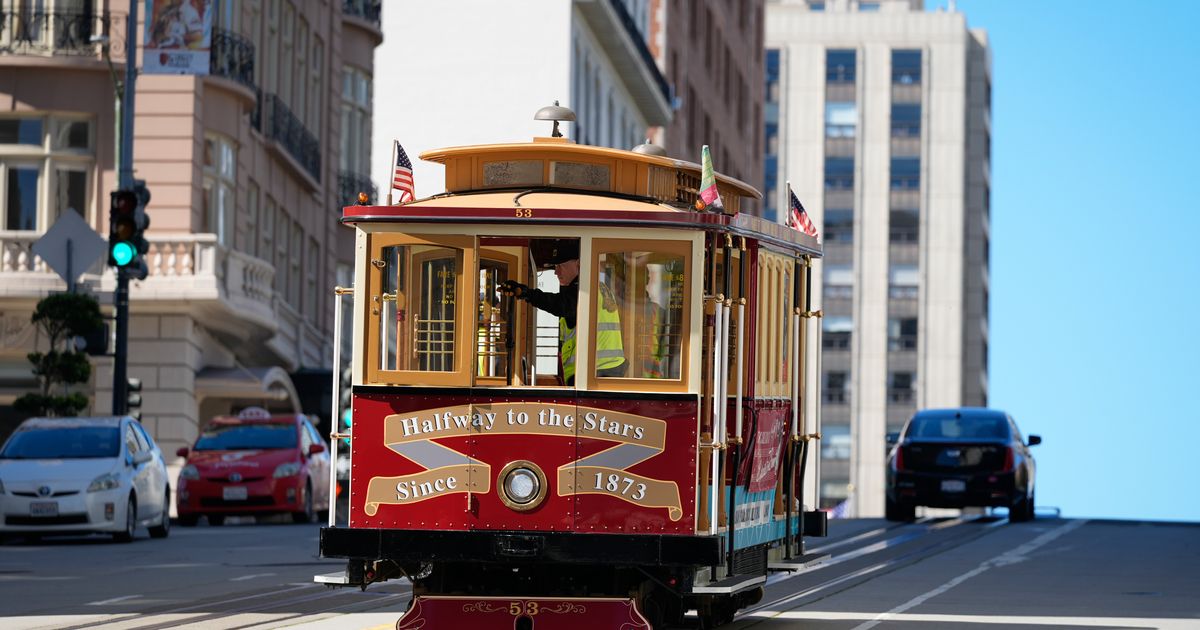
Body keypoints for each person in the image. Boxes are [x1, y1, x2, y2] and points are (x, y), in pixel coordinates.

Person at [501, 241, 625, 385]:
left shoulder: (583, 290)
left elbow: (562, 306)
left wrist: (526, 293)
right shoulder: (598, 287)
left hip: (596, 373)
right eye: (555, 267)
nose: (556, 272)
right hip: (604, 370)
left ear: (578, 264)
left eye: (560, 265)